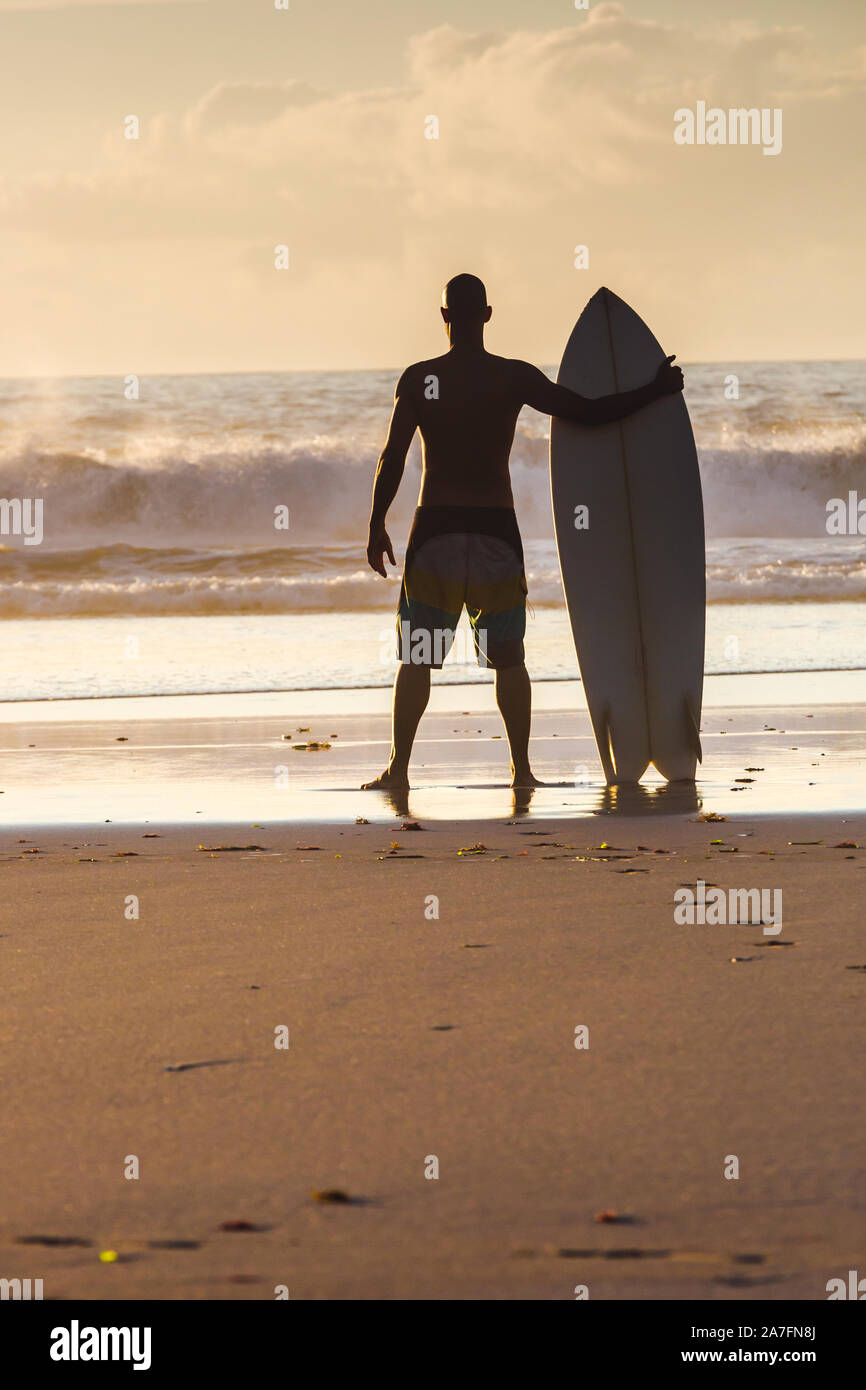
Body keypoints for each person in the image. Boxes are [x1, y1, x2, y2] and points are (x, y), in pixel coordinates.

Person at [362, 273, 684, 791]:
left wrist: (377, 523)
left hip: (436, 534)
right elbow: (588, 413)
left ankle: (398, 770)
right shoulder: (512, 378)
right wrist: (654, 391)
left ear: (443, 317)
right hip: (495, 533)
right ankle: (522, 770)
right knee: (508, 659)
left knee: (417, 655)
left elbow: (392, 456)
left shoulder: (420, 379)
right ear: (487, 315)